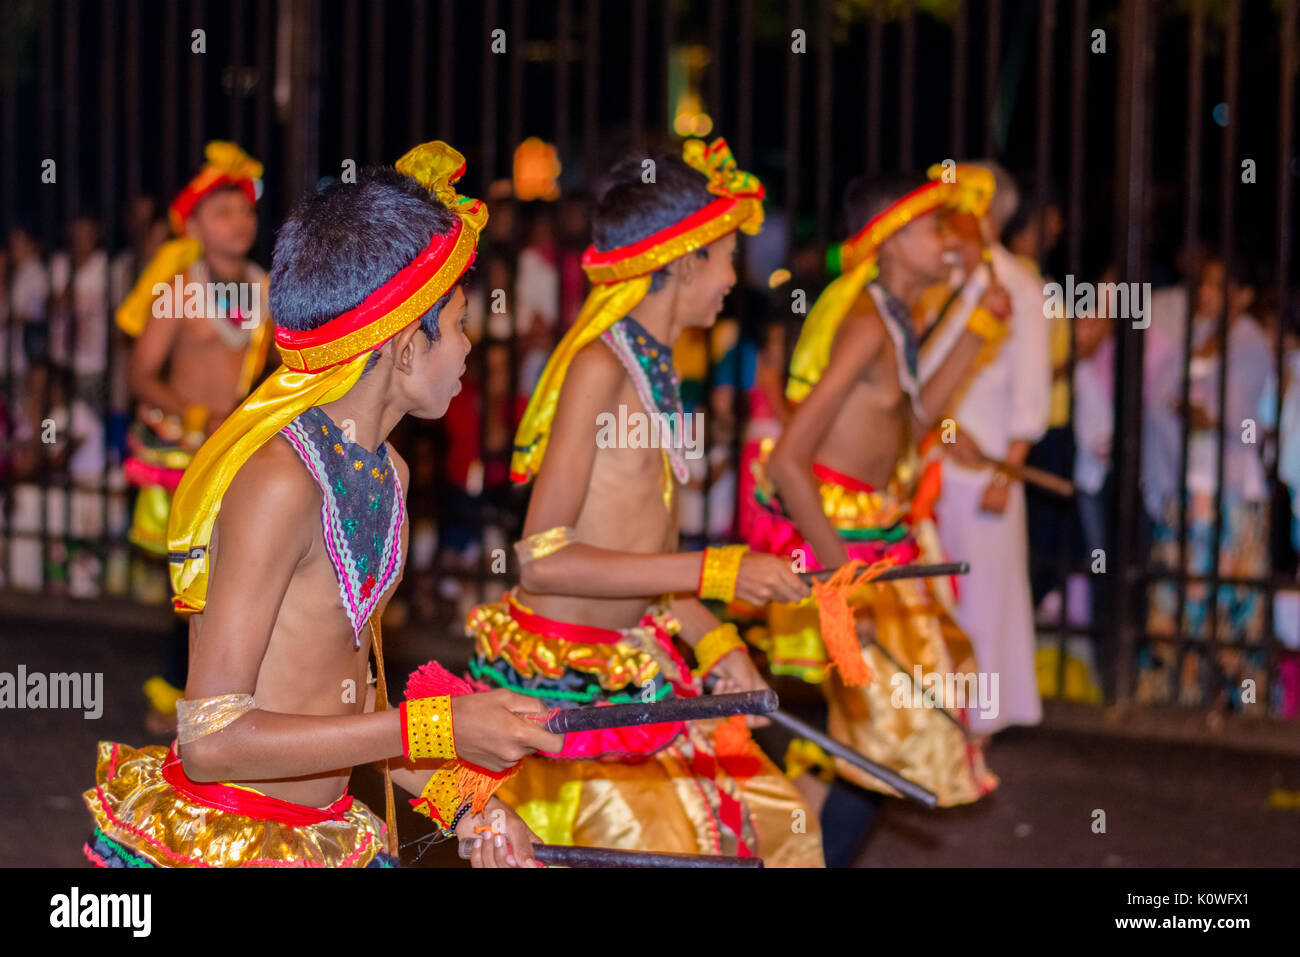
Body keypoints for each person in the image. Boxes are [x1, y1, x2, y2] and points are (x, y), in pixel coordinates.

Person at [83, 141, 563, 868]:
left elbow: (350, 705)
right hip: (237, 841)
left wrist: (471, 800)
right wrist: (431, 725)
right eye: (460, 323)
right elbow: (210, 741)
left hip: (327, 837)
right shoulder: (280, 481)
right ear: (405, 346)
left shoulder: (386, 475)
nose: (470, 347)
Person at [478, 138, 823, 866]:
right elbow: (540, 559)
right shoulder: (601, 367)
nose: (736, 275)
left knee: (782, 826)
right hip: (568, 685)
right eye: (726, 255)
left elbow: (638, 561)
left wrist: (714, 636)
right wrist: (717, 574)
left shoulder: (658, 369)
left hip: (634, 655)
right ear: (684, 260)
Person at [750, 167, 1003, 837]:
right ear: (888, 242)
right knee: (891, 739)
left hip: (872, 537)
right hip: (840, 542)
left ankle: (779, 852)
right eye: (933, 228)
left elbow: (909, 431)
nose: (950, 241)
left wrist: (977, 328)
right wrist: (841, 588)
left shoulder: (897, 315)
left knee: (867, 736)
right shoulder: (867, 322)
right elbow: (789, 462)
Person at [114, 143, 276, 732]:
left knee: (240, 574)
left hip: (238, 455)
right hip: (183, 454)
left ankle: (228, 698)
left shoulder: (265, 289)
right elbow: (140, 375)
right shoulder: (180, 287)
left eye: (246, 212)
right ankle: (181, 697)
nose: (240, 223)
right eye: (224, 213)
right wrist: (199, 416)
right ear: (195, 224)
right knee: (190, 582)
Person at [927, 161, 1051, 737]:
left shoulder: (1019, 287)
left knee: (983, 599)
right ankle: (942, 714)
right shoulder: (939, 280)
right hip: (935, 460)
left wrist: (1009, 473)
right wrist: (946, 431)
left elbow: (1031, 391)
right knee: (937, 597)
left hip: (988, 472)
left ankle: (979, 722)